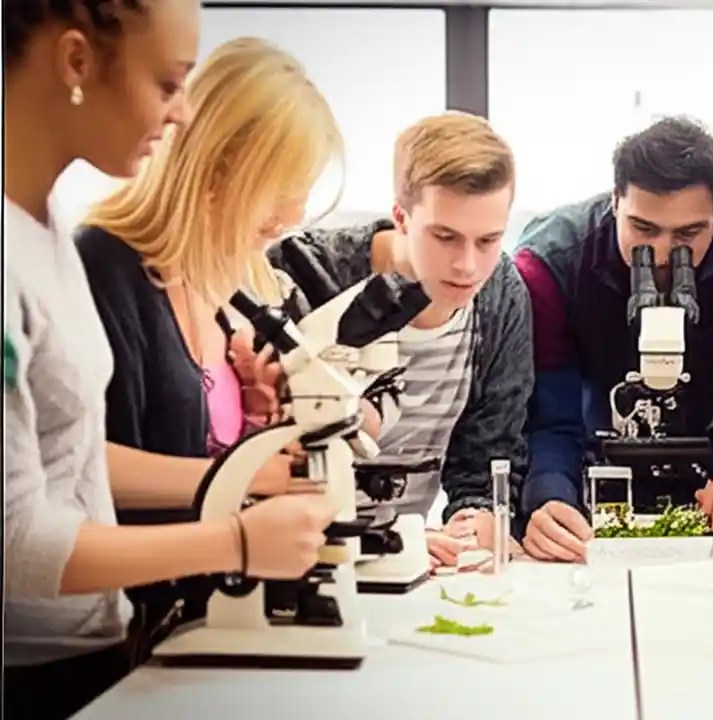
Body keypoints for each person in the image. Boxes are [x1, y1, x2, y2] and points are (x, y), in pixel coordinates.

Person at [3, 3, 335, 718]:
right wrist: (238, 526)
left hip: (102, 631)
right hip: (36, 660)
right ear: (75, 62)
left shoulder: (47, 234)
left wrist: (248, 431)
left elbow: (72, 462)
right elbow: (21, 529)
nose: (180, 115)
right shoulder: (76, 261)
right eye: (166, 83)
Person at [72, 36, 352, 656]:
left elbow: (209, 438)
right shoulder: (103, 267)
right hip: (121, 632)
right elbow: (80, 466)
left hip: (202, 614)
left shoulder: (227, 280)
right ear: (221, 166)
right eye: (283, 187)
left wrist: (261, 425)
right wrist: (247, 477)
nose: (294, 212)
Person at [268, 111, 533, 570]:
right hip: (303, 556)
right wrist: (385, 539)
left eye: (488, 240)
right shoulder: (302, 274)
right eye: (445, 237)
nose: (467, 266)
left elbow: (490, 455)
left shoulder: (502, 294)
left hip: (419, 564)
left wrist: (477, 519)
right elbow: (265, 456)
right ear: (401, 217)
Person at [513, 116, 713, 562]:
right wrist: (550, 497)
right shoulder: (550, 264)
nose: (663, 255)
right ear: (614, 202)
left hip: (708, 483)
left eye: (688, 234)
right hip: (590, 469)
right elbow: (551, 417)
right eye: (643, 229)